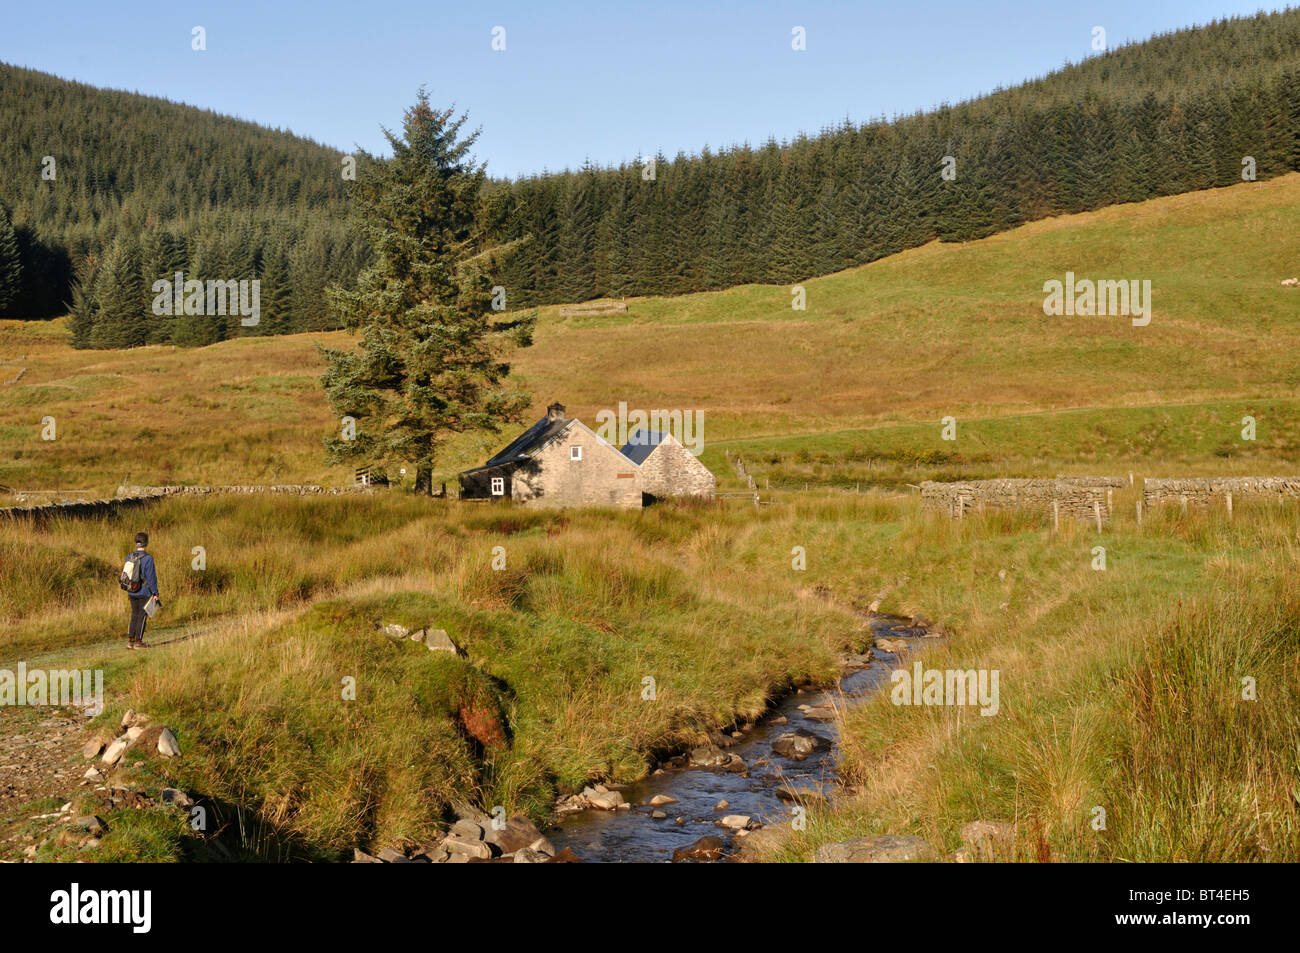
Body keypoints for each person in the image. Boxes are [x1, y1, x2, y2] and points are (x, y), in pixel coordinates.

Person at [125, 531, 160, 649]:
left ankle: (130, 641)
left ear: (136, 543)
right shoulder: (148, 558)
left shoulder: (129, 556)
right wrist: (155, 593)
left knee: (134, 614)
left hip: (131, 591)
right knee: (142, 616)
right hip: (144, 591)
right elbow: (151, 578)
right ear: (146, 543)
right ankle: (139, 642)